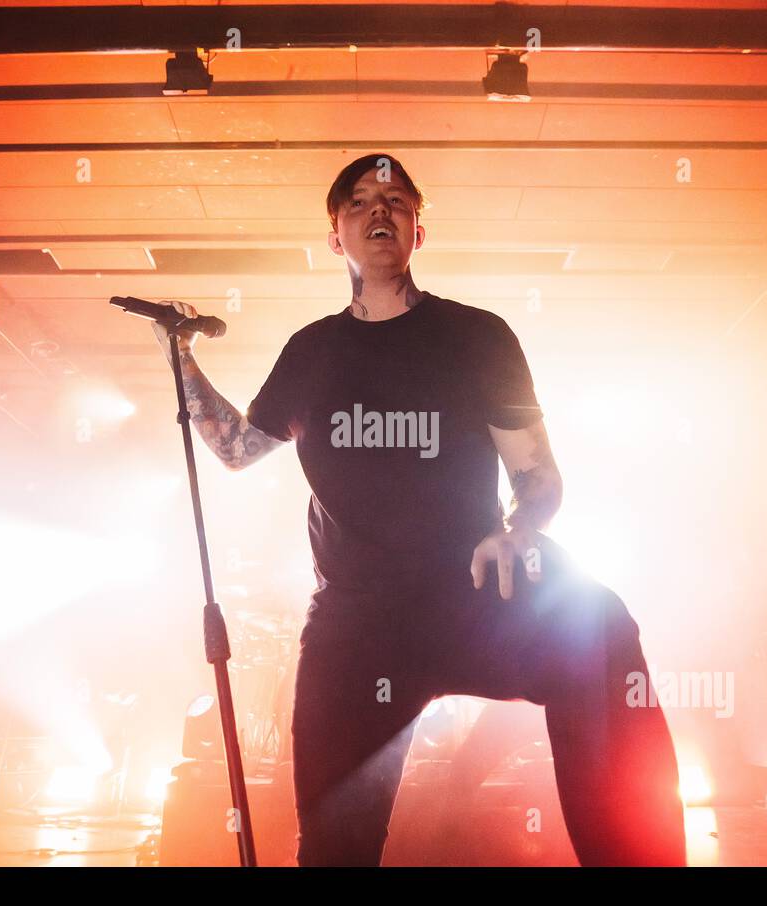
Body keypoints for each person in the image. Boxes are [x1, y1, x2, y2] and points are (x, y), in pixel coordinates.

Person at [151, 153, 686, 866]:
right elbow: (239, 447)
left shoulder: (478, 337)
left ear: (417, 233)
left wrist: (515, 530)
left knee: (600, 623)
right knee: (335, 845)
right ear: (336, 235)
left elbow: (538, 474)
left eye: (397, 200)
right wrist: (178, 358)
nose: (381, 209)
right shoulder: (312, 353)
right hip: (361, 617)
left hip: (473, 587)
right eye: (362, 201)